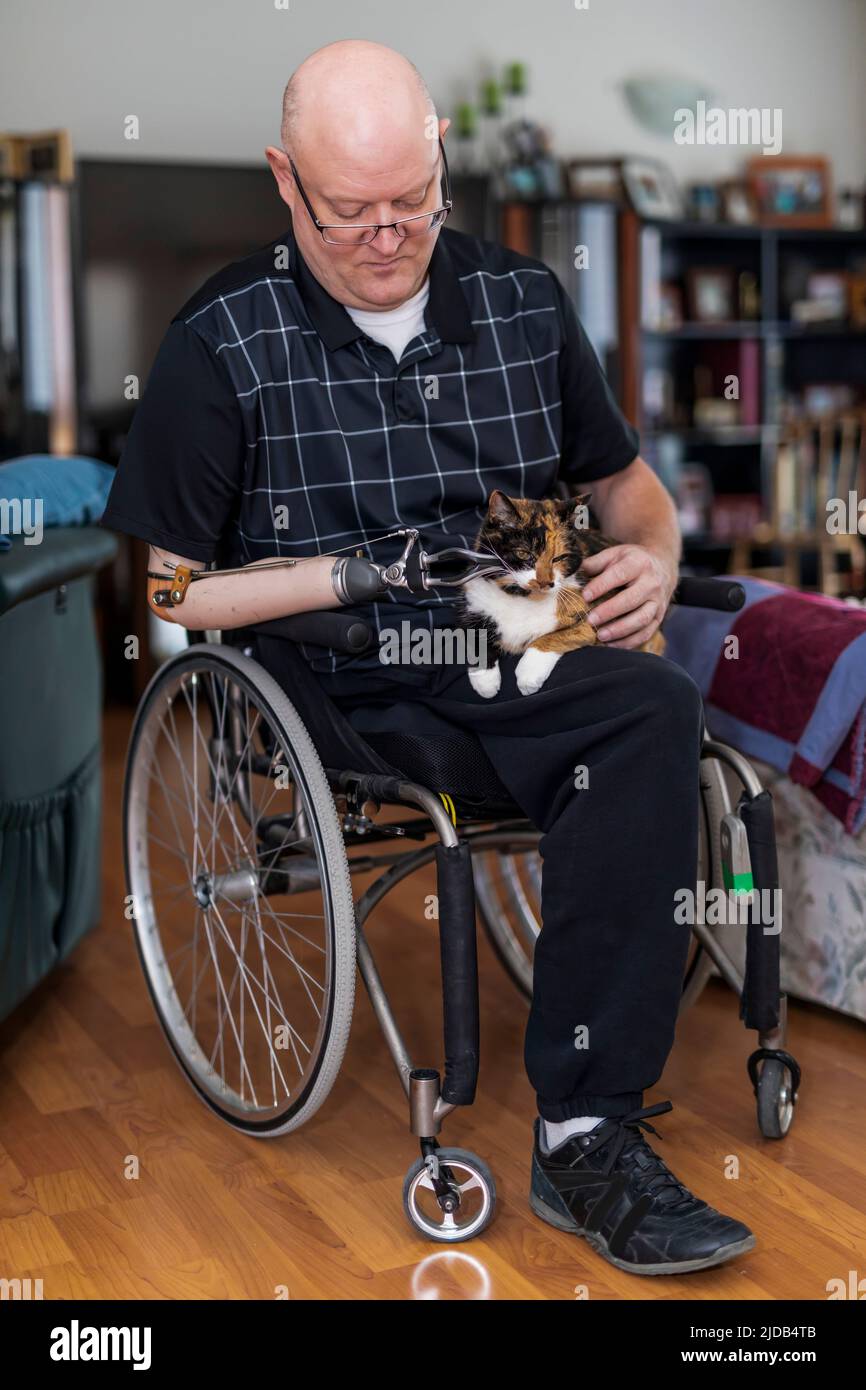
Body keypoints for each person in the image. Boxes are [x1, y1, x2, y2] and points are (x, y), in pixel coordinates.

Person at [102, 38, 755, 1275]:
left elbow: (624, 490)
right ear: (284, 183)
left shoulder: (520, 303)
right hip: (342, 680)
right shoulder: (220, 342)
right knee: (552, 735)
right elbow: (173, 593)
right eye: (352, 212)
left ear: (441, 160)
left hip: (519, 635)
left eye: (415, 200)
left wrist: (654, 562)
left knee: (652, 710)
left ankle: (582, 1133)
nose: (390, 233)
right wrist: (341, 575)